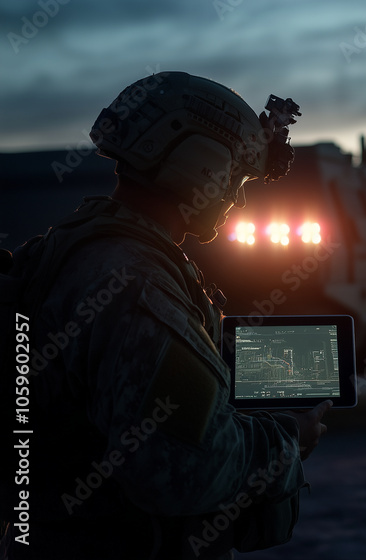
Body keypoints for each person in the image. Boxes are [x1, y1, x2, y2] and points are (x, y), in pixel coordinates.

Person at [0, 71, 332, 559]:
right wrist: (287, 439)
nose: (237, 197)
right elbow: (182, 467)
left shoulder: (76, 245)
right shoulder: (136, 281)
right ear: (201, 163)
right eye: (236, 177)